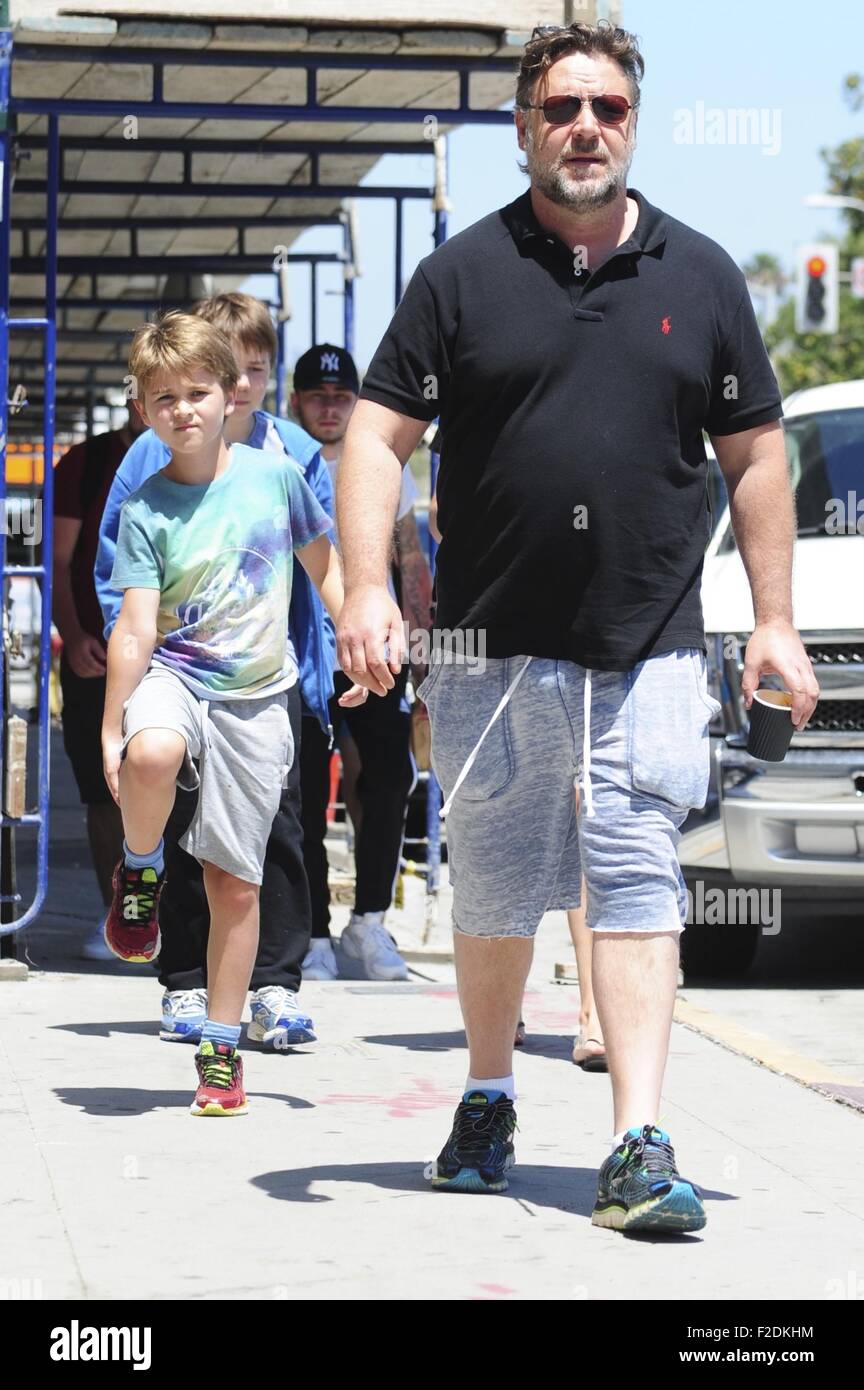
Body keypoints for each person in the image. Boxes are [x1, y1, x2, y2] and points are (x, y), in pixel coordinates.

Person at [333, 21, 820, 1229]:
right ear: (524, 128)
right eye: (561, 108)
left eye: (607, 106)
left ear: (635, 124)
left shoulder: (701, 275)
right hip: (492, 647)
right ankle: (490, 1096)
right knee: (495, 887)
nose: (585, 127)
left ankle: (640, 1141)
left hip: (650, 638)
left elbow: (756, 455)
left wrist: (774, 621)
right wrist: (368, 587)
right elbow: (374, 436)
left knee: (639, 865)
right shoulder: (462, 276)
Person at [101, 311, 367, 1115]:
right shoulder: (147, 507)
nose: (183, 410)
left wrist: (358, 639)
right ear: (143, 411)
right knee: (150, 756)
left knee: (235, 887)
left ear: (232, 395)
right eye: (163, 398)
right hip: (177, 676)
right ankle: (141, 870)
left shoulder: (276, 478)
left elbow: (327, 572)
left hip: (258, 698)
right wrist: (113, 725)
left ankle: (222, 1054)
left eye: (198, 392)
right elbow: (137, 625)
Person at [291, 344, 433, 982]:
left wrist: (426, 661)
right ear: (297, 401)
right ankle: (313, 931)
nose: (328, 407)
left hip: (376, 648)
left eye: (340, 397)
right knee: (302, 789)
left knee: (389, 778)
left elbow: (412, 564)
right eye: (317, 396)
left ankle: (369, 922)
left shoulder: (382, 467)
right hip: (301, 648)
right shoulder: (282, 459)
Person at [53, 407, 146, 960]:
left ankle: (175, 918)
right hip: (97, 657)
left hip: (177, 657)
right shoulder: (87, 462)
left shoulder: (211, 459)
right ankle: (120, 917)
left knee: (179, 789)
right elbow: (58, 558)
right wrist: (73, 632)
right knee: (104, 790)